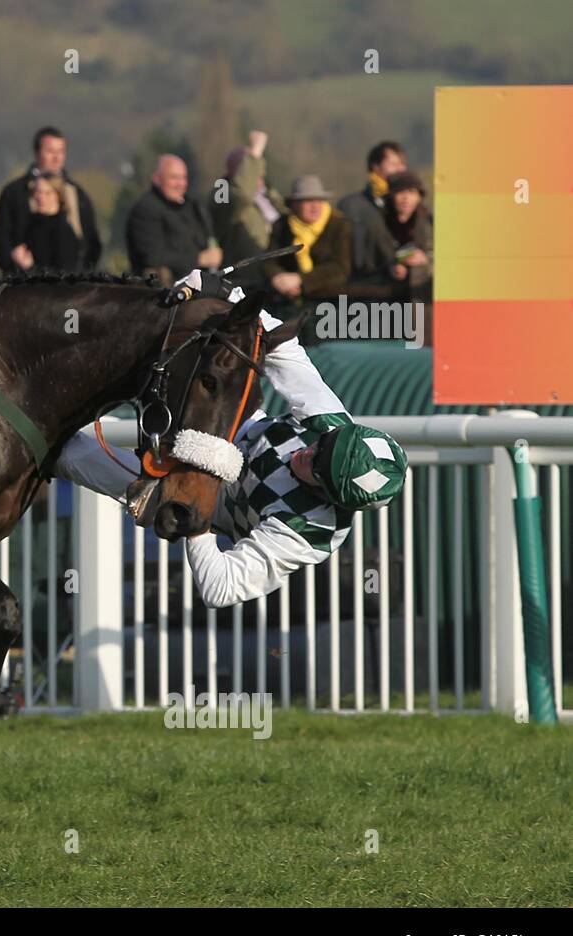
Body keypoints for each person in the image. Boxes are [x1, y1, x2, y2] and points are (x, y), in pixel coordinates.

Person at [54, 268, 408, 608]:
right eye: (322, 445)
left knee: (71, 453)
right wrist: (226, 292)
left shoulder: (311, 532)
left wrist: (196, 524)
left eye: (317, 466)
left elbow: (219, 588)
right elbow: (284, 349)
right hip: (233, 431)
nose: (308, 452)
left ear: (332, 498)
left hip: (208, 500)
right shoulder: (332, 425)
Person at [0, 126, 100, 275]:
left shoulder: (78, 195)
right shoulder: (14, 193)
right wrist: (14, 266)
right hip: (20, 283)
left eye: (61, 151)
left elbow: (92, 242)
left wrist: (81, 275)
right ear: (37, 153)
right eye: (50, 151)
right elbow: (1, 238)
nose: (56, 157)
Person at [126, 154, 220, 283]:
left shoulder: (193, 206)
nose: (181, 184)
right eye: (174, 178)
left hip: (199, 283)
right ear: (156, 179)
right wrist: (199, 259)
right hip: (163, 292)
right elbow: (153, 257)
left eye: (184, 178)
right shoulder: (145, 210)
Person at [261, 175, 351, 310]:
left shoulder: (339, 225)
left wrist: (300, 280)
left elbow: (341, 268)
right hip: (289, 301)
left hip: (331, 303)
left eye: (319, 200)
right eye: (308, 201)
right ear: (294, 204)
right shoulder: (282, 226)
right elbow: (269, 261)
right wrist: (278, 279)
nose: (315, 206)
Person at [211, 131, 285, 279]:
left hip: (274, 270)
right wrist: (255, 152)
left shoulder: (266, 192)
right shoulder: (222, 191)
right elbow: (242, 195)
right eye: (251, 166)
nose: (259, 172)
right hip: (243, 274)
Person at [337, 140, 407, 285]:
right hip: (362, 288)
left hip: (400, 287)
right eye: (394, 164)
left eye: (402, 164)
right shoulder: (351, 206)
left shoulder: (410, 204)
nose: (401, 169)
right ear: (375, 167)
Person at [381, 170, 432, 297]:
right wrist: (391, 266)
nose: (406, 198)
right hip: (387, 300)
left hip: (422, 298)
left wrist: (426, 260)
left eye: (412, 192)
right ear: (391, 196)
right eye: (400, 192)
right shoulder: (379, 224)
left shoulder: (430, 224)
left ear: (419, 197)